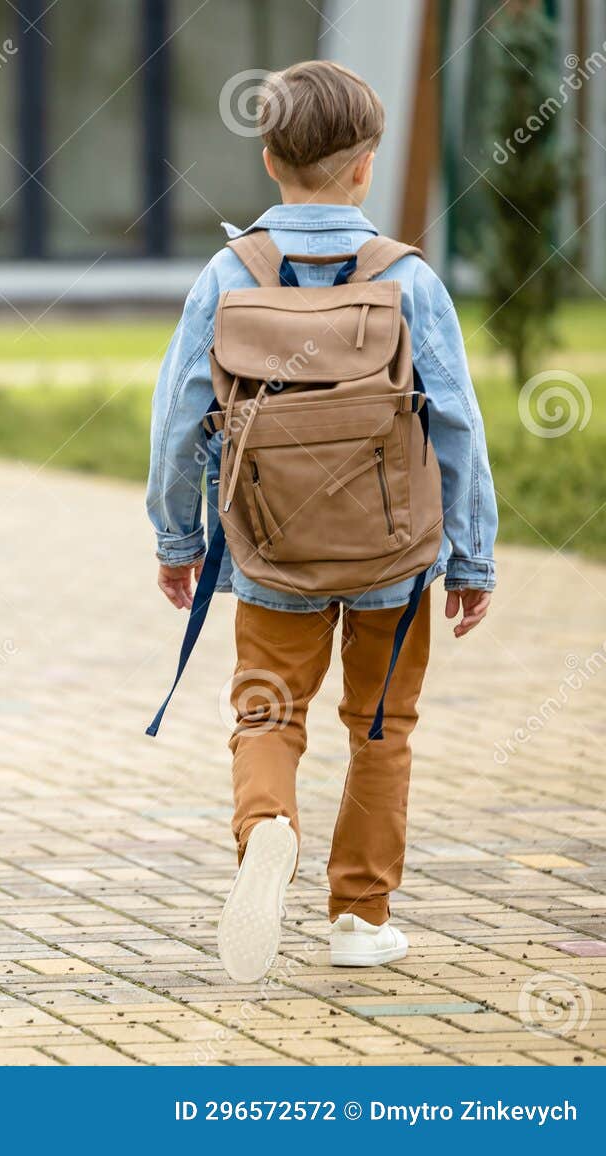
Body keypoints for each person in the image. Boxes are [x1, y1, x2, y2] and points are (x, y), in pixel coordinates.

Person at [145, 61, 497, 981]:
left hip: (271, 552)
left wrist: (177, 539)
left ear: (269, 161)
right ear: (365, 167)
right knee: (382, 728)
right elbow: (457, 420)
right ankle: (359, 918)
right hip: (397, 553)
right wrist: (473, 557)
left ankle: (268, 827)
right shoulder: (408, 281)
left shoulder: (229, 275)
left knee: (266, 710)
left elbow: (180, 416)